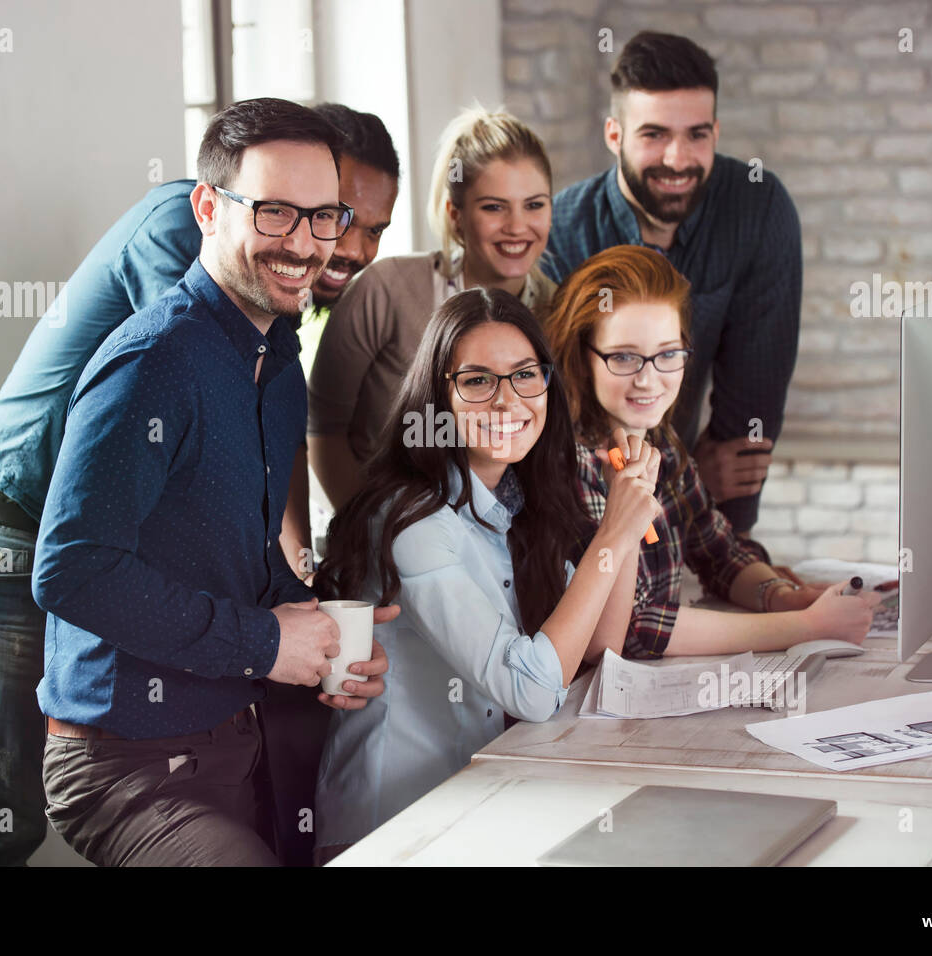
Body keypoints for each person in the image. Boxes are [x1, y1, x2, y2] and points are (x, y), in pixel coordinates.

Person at [0, 102, 397, 865]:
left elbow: (228, 512)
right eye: (276, 211)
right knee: (1, 817)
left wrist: (314, 626)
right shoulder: (161, 352)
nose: (314, 243)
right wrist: (270, 637)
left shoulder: (274, 363)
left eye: (328, 218)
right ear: (209, 208)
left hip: (211, 723)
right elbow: (77, 565)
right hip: (2, 528)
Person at [311, 287, 662, 861]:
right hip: (391, 832)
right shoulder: (412, 522)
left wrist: (627, 523)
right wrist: (614, 533)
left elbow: (601, 649)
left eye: (526, 375)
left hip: (482, 807)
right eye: (477, 381)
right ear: (437, 400)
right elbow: (530, 690)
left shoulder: (517, 503)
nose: (508, 401)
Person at [543, 245, 880, 659]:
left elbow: (716, 548)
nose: (649, 381)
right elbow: (637, 625)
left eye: (668, 354)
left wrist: (778, 596)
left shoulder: (658, 439)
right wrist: (805, 627)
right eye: (625, 357)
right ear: (583, 356)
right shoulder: (570, 463)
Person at [543, 31, 802, 544]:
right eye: (654, 135)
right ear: (614, 135)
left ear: (716, 132)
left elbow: (755, 397)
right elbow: (557, 415)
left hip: (702, 506)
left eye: (697, 135)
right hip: (581, 514)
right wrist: (679, 475)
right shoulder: (562, 229)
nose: (678, 159)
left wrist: (731, 547)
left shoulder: (758, 207)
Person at [308, 106, 558, 510]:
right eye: (494, 207)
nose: (517, 226)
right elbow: (323, 427)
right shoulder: (386, 290)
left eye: (534, 205)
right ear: (455, 217)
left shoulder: (560, 314)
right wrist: (370, 537)